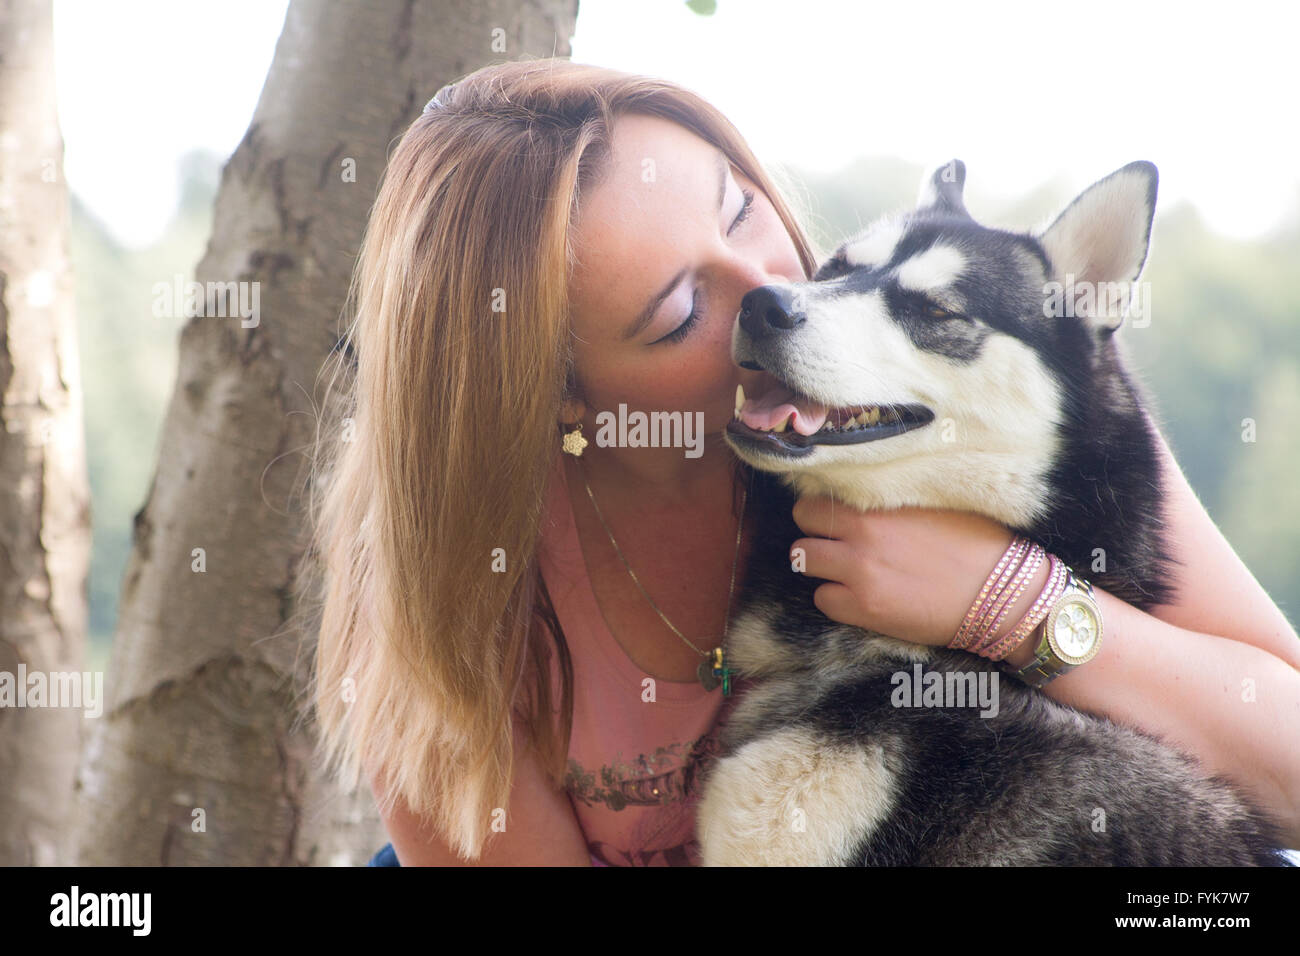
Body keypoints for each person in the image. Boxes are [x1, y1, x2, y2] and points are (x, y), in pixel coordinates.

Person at [306, 57, 1300, 867]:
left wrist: (1007, 601)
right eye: (680, 312)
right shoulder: (447, 580)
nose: (778, 292)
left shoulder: (985, 399)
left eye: (738, 211)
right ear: (557, 396)